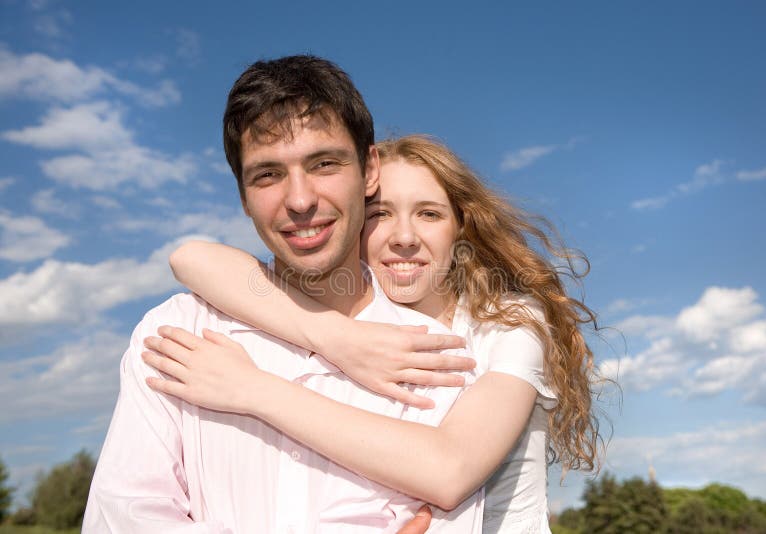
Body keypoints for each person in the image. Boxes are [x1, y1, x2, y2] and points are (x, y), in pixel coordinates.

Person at [84, 56, 483, 533]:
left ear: (369, 170)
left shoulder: (435, 360)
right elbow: (123, 518)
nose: (299, 200)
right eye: (268, 174)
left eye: (324, 163)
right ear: (243, 195)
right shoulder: (176, 334)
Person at [144, 136, 603, 533]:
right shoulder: (349, 326)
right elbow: (191, 258)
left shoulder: (508, 323)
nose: (404, 237)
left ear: (461, 226)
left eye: (428, 214)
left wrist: (253, 389)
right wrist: (331, 335)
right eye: (381, 214)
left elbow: (450, 469)